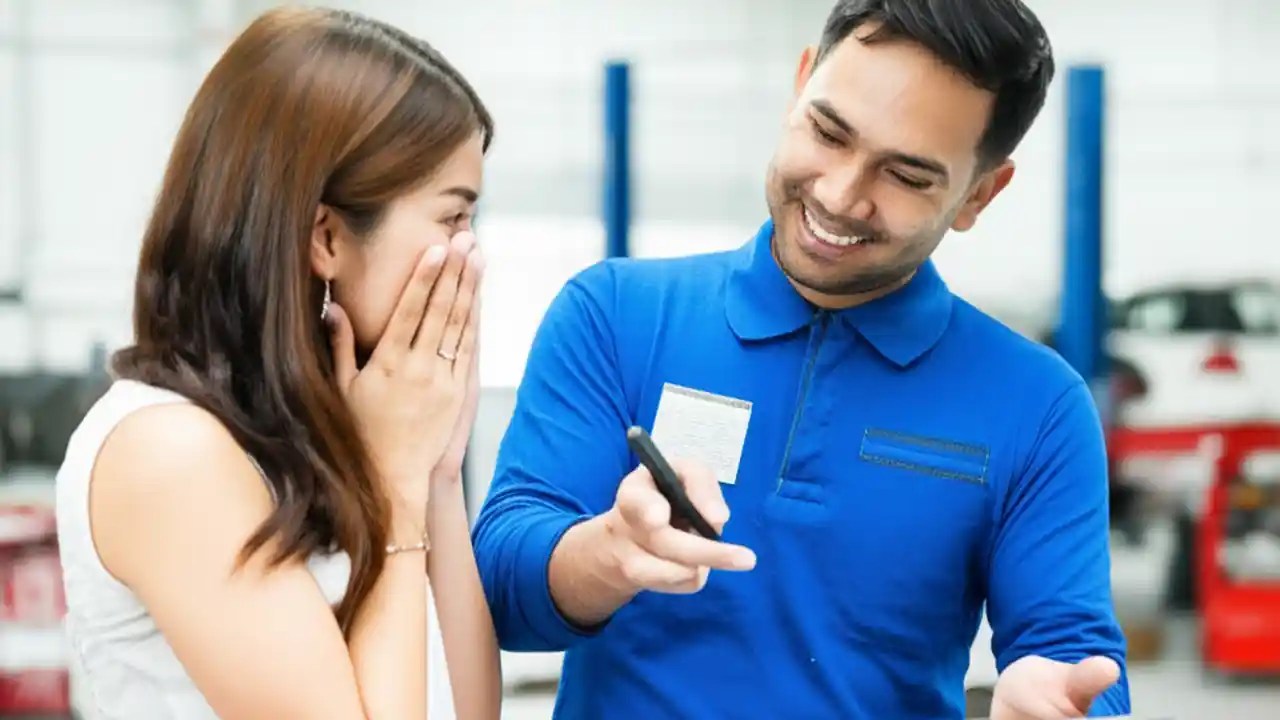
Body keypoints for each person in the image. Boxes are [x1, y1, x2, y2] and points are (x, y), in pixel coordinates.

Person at [473, 1, 1132, 718]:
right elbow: (502, 594)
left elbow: (1076, 659)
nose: (840, 195)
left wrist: (1063, 704)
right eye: (827, 131)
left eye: (906, 177)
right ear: (800, 85)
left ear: (979, 193)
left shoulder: (1036, 407)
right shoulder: (617, 316)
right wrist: (609, 552)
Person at [54, 8, 499, 719]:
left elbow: (467, 710)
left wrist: (437, 476)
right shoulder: (169, 452)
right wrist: (397, 491)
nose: (470, 255)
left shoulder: (348, 437)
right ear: (326, 236)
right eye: (451, 217)